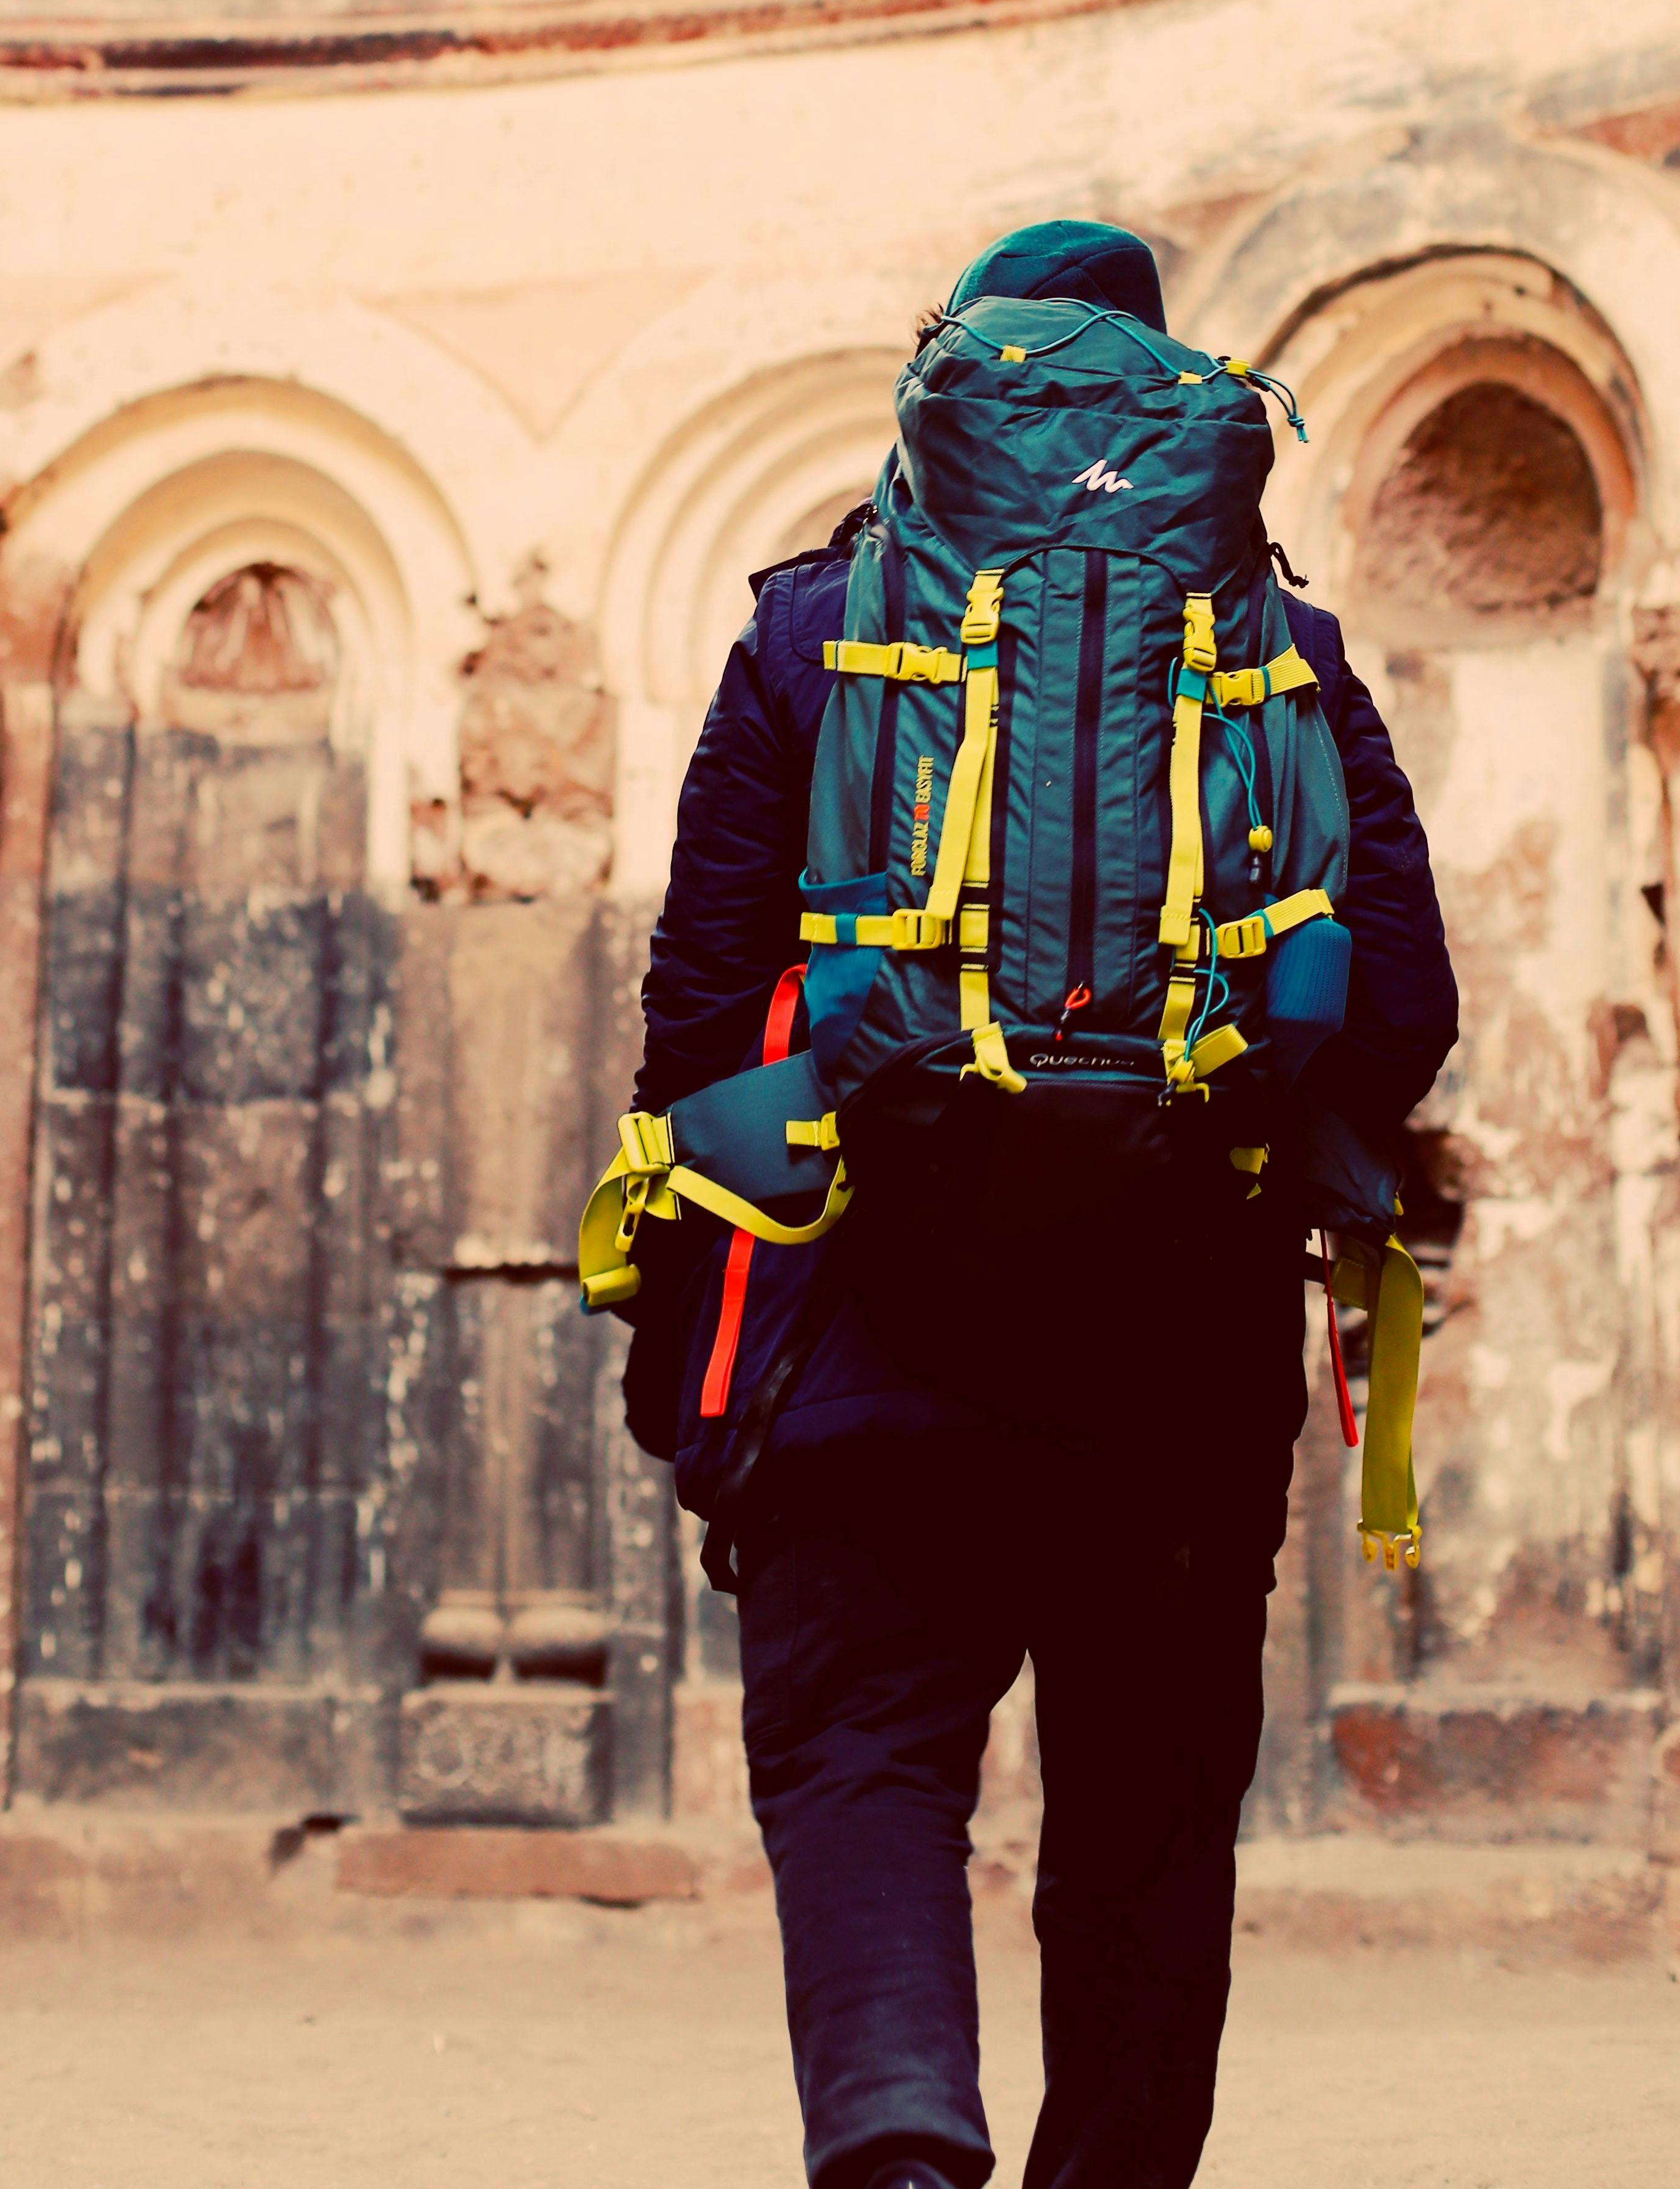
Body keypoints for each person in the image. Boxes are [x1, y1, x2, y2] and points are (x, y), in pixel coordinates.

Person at [624, 222, 1457, 2189]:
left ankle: (905, 2142)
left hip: (859, 1344)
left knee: (863, 1768)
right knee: (1150, 1830)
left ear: (941, 406)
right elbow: (1401, 1005)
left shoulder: (810, 636)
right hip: (1173, 1377)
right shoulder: (1283, 660)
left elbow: (688, 1031)